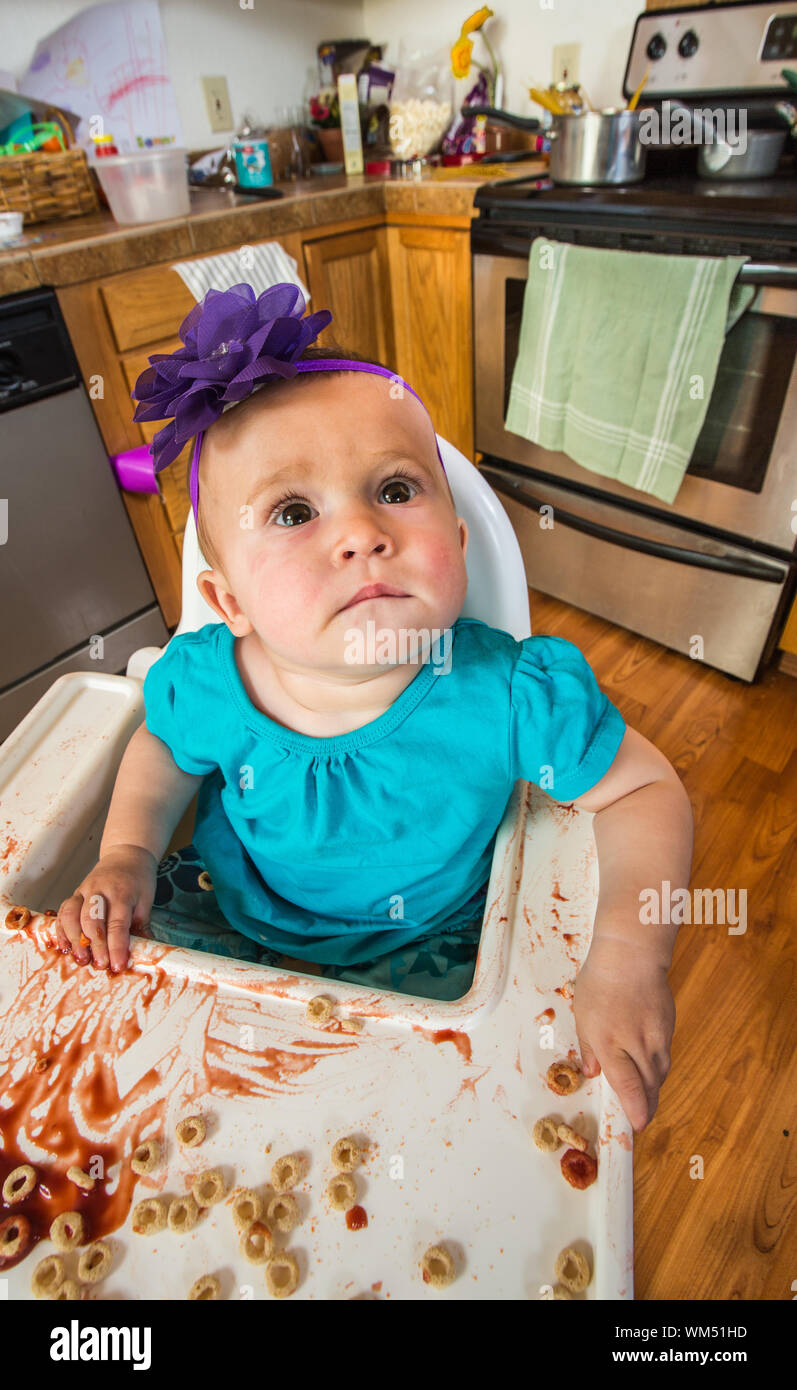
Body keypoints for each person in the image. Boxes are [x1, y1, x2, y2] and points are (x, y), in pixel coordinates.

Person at [55, 283, 693, 1132]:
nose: (359, 532)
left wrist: (623, 955)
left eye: (394, 490)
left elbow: (645, 792)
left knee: (431, 1131)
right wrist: (129, 850)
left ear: (457, 545)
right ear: (229, 600)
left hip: (434, 950)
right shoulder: (207, 681)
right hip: (230, 919)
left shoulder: (506, 694)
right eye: (292, 512)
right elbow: (164, 750)